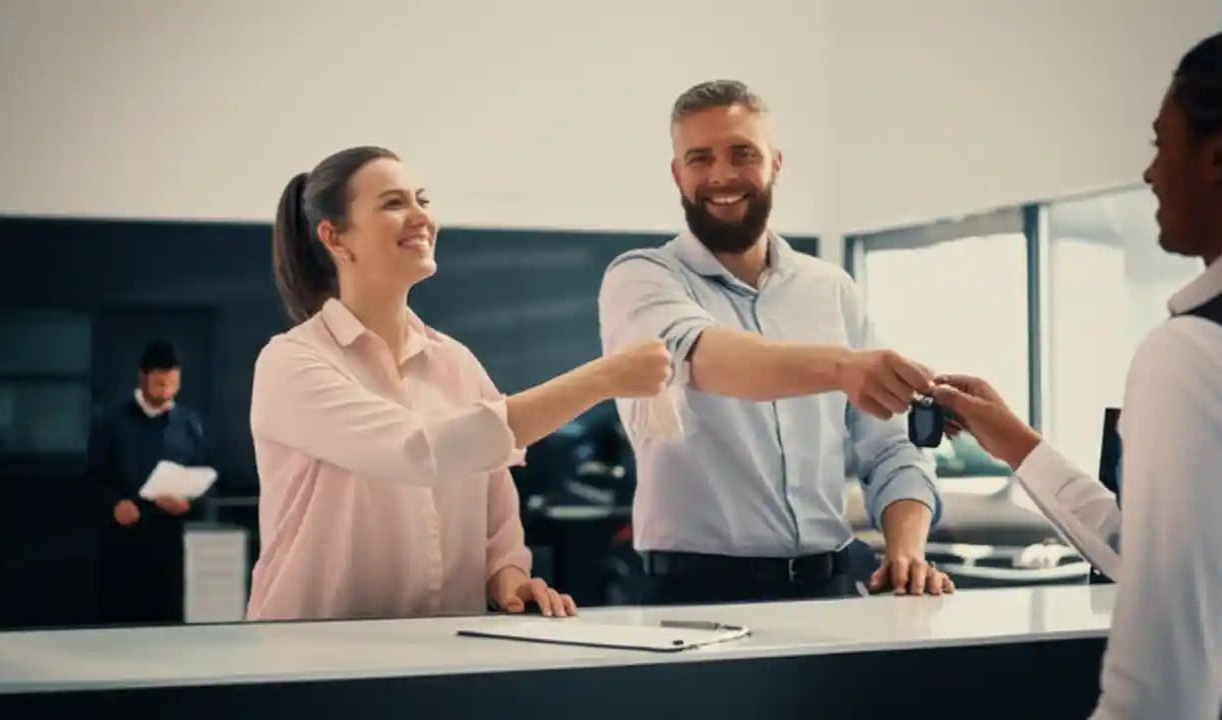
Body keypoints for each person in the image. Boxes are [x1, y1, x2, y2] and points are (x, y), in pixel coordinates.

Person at [247, 146, 672, 621]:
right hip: (311, 649)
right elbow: (418, 451)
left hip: (443, 647)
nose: (421, 217)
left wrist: (509, 578)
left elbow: (497, 519)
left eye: (423, 200)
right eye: (393, 203)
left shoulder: (457, 364)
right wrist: (604, 377)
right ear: (335, 238)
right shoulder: (292, 363)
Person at [929, 32, 1222, 720]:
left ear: (1216, 158)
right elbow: (1139, 549)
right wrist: (1017, 442)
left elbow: (1160, 689)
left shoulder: (1189, 355)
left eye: (1161, 144)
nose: (1150, 173)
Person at [597, 80, 954, 606]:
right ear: (677, 174)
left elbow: (891, 447)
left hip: (831, 589)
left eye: (743, 153)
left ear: (776, 164)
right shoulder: (641, 278)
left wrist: (907, 551)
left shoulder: (830, 289)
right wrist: (844, 368)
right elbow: (705, 359)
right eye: (700, 158)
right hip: (693, 595)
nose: (722, 175)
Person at [88, 340, 210, 624]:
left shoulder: (188, 424)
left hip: (168, 545)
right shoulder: (111, 422)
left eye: (173, 384)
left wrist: (188, 505)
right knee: (119, 624)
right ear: (142, 378)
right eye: (160, 384)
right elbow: (91, 480)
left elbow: (204, 483)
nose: (167, 391)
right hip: (122, 545)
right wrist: (114, 504)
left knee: (167, 627)